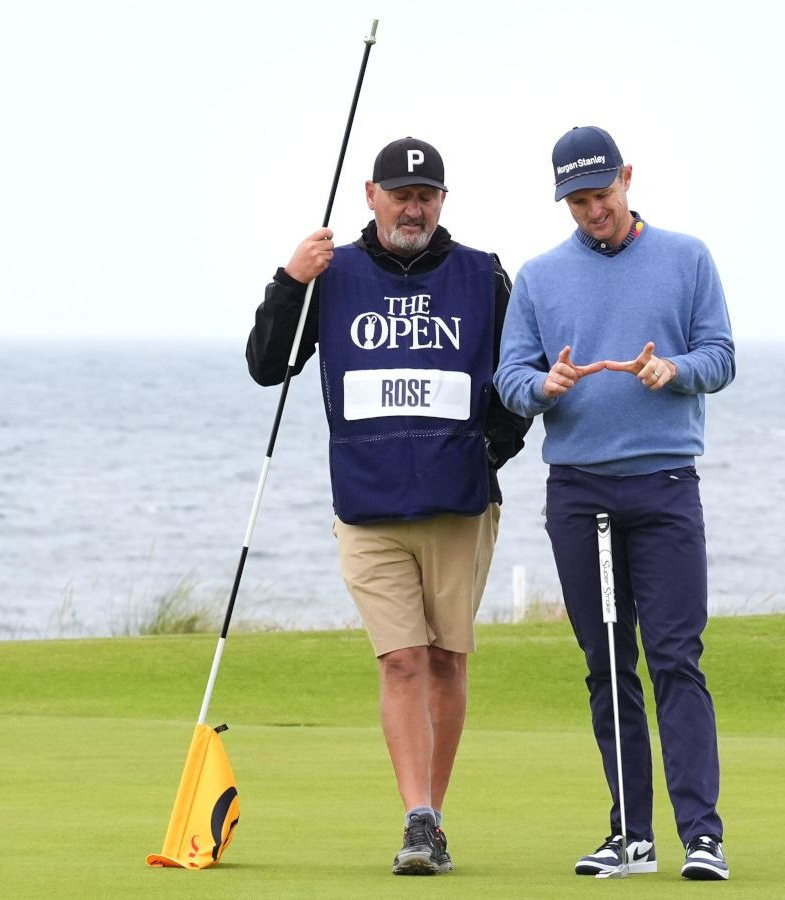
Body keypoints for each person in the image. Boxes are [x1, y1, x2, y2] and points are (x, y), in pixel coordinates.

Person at [246, 136, 530, 876]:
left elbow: (519, 382)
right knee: (401, 659)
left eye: (427, 194)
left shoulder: (483, 276)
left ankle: (429, 819)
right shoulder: (330, 274)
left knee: (444, 660)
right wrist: (288, 280)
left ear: (443, 201)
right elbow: (267, 366)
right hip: (367, 507)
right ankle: (419, 818)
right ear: (370, 195)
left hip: (459, 507)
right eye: (401, 194)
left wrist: (486, 452)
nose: (414, 206)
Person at [493, 125, 736, 881]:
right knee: (606, 663)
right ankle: (631, 834)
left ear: (628, 178)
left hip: (664, 487)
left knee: (675, 659)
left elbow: (721, 356)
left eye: (601, 194)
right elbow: (510, 378)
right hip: (580, 494)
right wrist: (544, 387)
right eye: (576, 200)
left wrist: (675, 372)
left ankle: (702, 834)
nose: (591, 210)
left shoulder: (687, 258)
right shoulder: (538, 277)